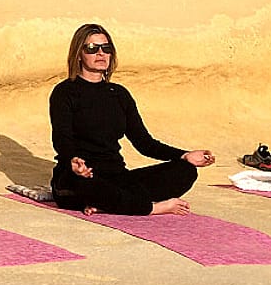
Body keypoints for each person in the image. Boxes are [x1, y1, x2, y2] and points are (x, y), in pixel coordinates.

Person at [49, 23, 215, 216]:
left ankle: (110, 204)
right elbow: (62, 139)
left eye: (106, 48)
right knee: (91, 187)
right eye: (92, 48)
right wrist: (73, 161)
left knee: (185, 171)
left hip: (116, 176)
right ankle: (153, 208)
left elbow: (144, 143)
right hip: (79, 177)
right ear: (79, 54)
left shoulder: (119, 94)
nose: (101, 53)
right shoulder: (65, 92)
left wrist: (184, 155)